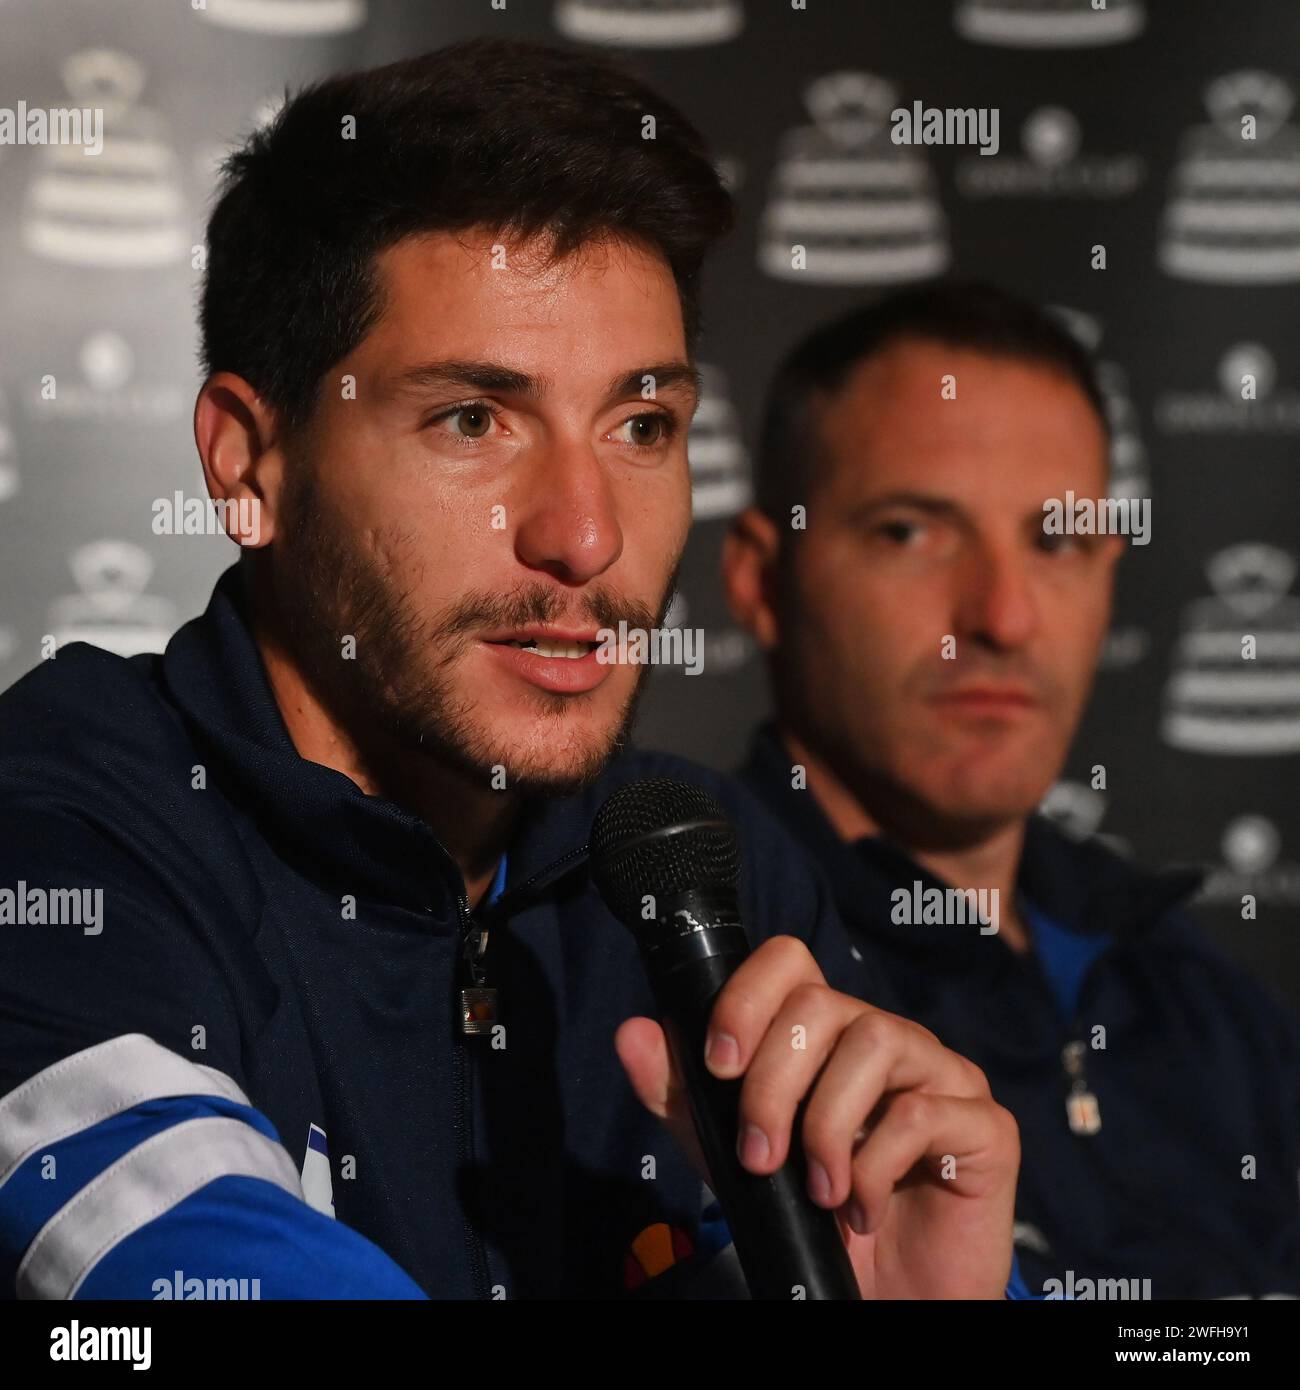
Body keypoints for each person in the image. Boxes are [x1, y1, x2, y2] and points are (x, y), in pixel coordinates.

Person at [0, 42, 1021, 1301]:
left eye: (640, 426)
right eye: (473, 419)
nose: (585, 535)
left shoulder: (710, 873)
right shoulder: (60, 836)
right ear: (248, 465)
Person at [725, 282, 1300, 1300]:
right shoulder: (693, 977)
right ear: (761, 582)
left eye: (1056, 540)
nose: (1002, 614)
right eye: (911, 531)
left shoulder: (1195, 997)